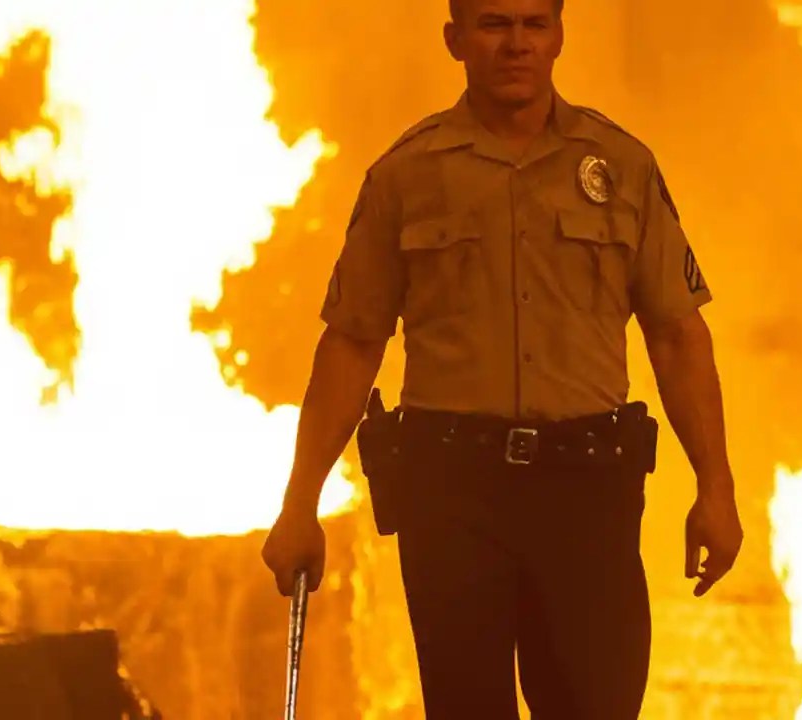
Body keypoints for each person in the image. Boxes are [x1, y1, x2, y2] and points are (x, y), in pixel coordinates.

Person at [262, 0, 743, 716]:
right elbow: (353, 343)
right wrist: (299, 503)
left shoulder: (620, 166)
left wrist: (717, 486)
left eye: (532, 24)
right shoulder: (407, 175)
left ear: (557, 36)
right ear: (455, 40)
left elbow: (676, 335)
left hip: (586, 494)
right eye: (493, 25)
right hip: (454, 496)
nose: (515, 44)